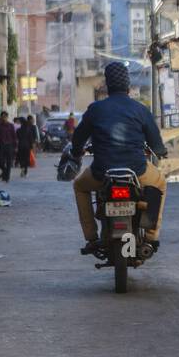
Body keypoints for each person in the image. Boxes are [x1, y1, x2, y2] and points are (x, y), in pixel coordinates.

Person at [63, 62, 168, 258]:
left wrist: (77, 152)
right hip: (137, 171)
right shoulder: (140, 109)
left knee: (79, 186)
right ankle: (152, 237)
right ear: (128, 87)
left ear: (107, 87)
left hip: (102, 173)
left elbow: (78, 138)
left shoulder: (95, 109)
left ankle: (92, 237)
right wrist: (161, 151)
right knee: (160, 183)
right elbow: (156, 143)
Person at [0, 111, 16, 182]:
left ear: (7, 117)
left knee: (9, 162)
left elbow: (14, 136)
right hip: (2, 145)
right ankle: (5, 171)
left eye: (5, 117)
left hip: (10, 145)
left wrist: (15, 147)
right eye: (2, 117)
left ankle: (7, 177)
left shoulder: (11, 126)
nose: (3, 118)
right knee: (1, 162)